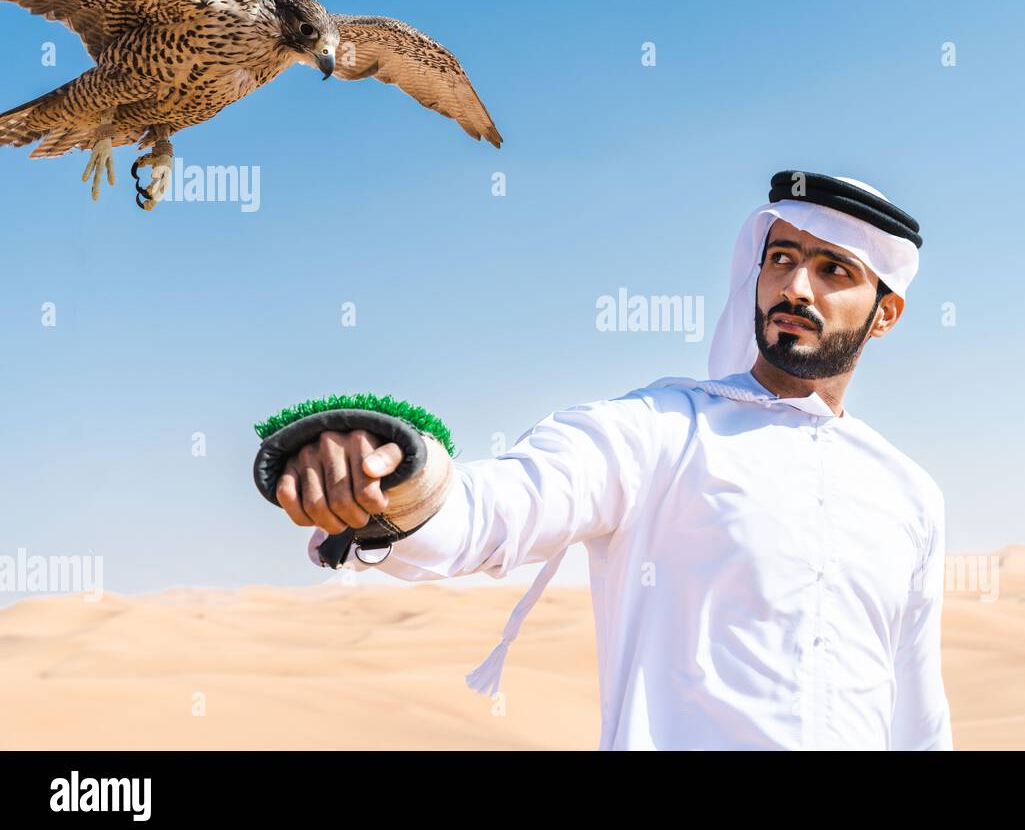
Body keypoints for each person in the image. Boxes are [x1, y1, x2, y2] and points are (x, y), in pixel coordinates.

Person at [274, 170, 952, 750]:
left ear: (885, 314)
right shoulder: (660, 430)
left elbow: (919, 718)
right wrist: (393, 482)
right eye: (780, 258)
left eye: (833, 269)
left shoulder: (909, 494)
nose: (795, 286)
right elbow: (495, 509)